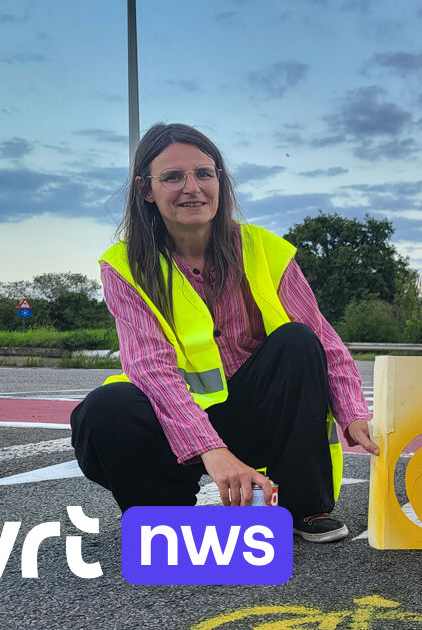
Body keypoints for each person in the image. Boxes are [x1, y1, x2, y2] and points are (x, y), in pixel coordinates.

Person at [71, 123, 379, 544]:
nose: (191, 187)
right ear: (146, 190)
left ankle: (303, 507)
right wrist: (211, 450)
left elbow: (324, 338)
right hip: (175, 422)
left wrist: (353, 412)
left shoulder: (263, 249)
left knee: (297, 342)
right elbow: (151, 367)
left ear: (220, 181)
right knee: (104, 409)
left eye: (204, 173)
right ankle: (164, 520)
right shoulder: (126, 266)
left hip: (256, 418)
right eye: (173, 177)